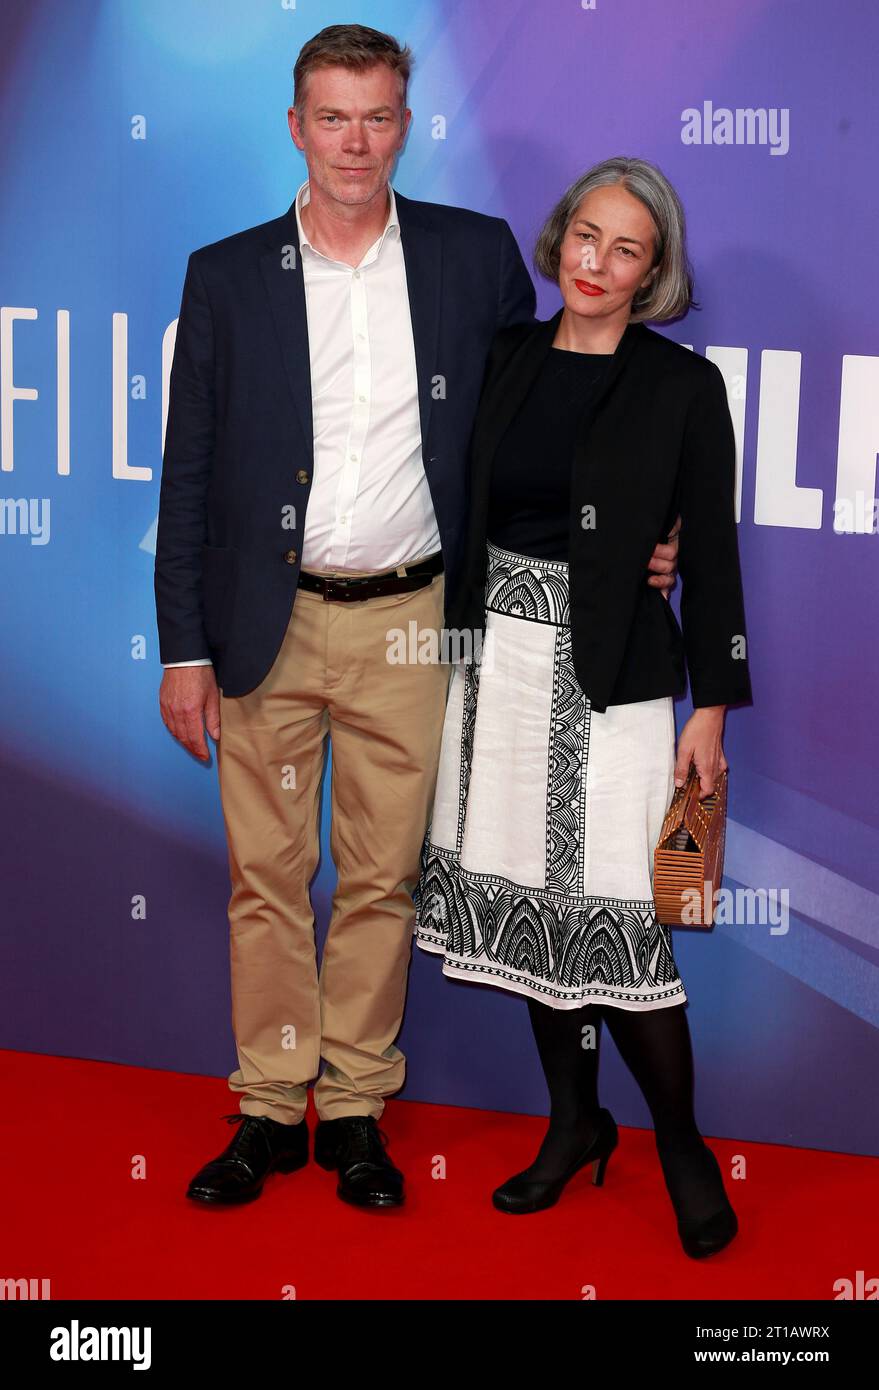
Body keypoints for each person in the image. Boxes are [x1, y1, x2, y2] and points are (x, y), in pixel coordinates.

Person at [155, 27, 679, 1211]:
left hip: (413, 627)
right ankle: (268, 1106)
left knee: (383, 879)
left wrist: (652, 526)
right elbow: (187, 471)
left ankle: (353, 1112)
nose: (355, 141)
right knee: (268, 880)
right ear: (296, 126)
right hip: (263, 625)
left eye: (378, 116)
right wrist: (184, 645)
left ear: (407, 123)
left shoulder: (472, 257)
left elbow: (548, 418)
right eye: (332, 117)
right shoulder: (225, 273)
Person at [413, 156, 752, 1258]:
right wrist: (452, 662)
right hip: (493, 672)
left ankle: (682, 1145)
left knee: (616, 917)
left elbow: (713, 554)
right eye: (585, 237)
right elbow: (464, 516)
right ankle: (572, 1124)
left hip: (614, 680)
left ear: (655, 272)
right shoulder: (505, 356)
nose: (598, 263)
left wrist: (714, 705)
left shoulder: (681, 386)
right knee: (526, 906)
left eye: (627, 249)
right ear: (558, 239)